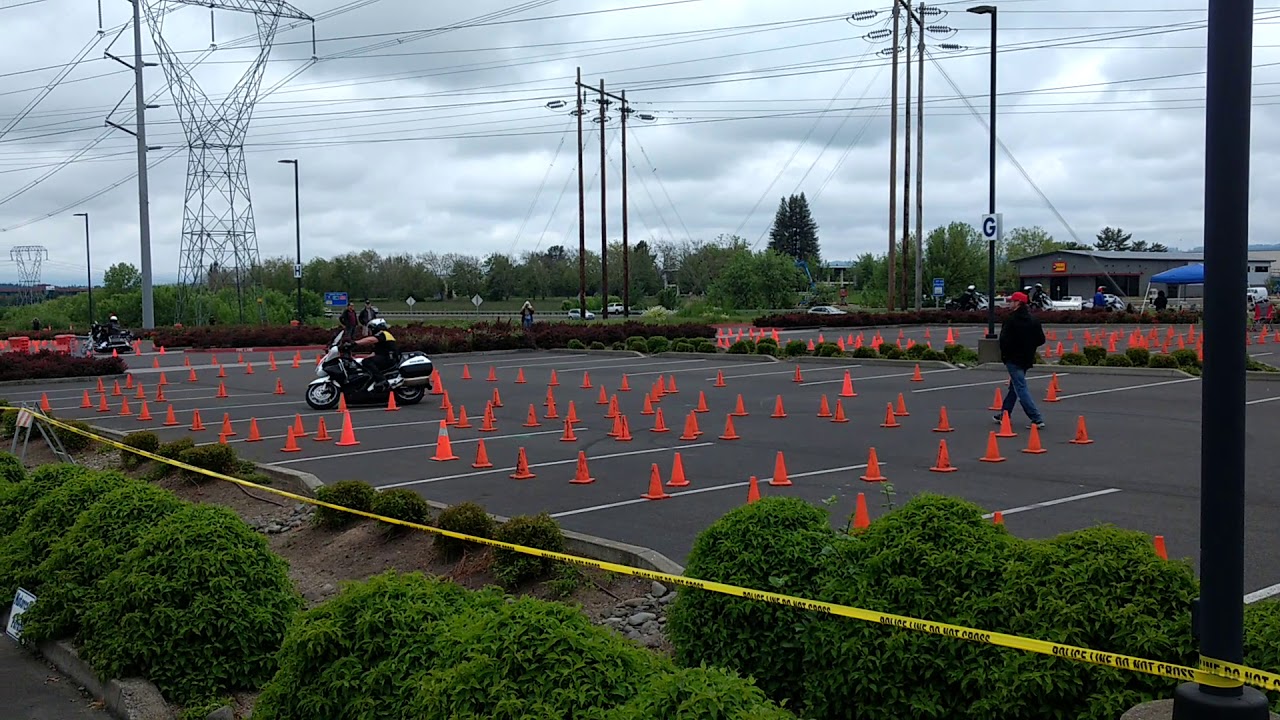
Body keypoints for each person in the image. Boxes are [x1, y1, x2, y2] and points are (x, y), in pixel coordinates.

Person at [995, 291, 1047, 429]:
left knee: (1020, 387)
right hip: (1026, 358)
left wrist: (1006, 355)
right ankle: (1004, 413)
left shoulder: (1011, 320)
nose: (1009, 303)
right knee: (1015, 386)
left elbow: (1004, 341)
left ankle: (1036, 418)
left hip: (1013, 358)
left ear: (1018, 303)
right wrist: (1029, 346)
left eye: (1012, 301)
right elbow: (1041, 339)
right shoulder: (1033, 320)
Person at [346, 318, 401, 391]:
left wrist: (355, 343)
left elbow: (371, 339)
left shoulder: (383, 333)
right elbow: (375, 353)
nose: (370, 330)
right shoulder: (383, 337)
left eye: (371, 328)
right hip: (386, 357)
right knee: (364, 361)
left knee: (367, 362)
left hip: (389, 358)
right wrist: (358, 359)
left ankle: (382, 380)